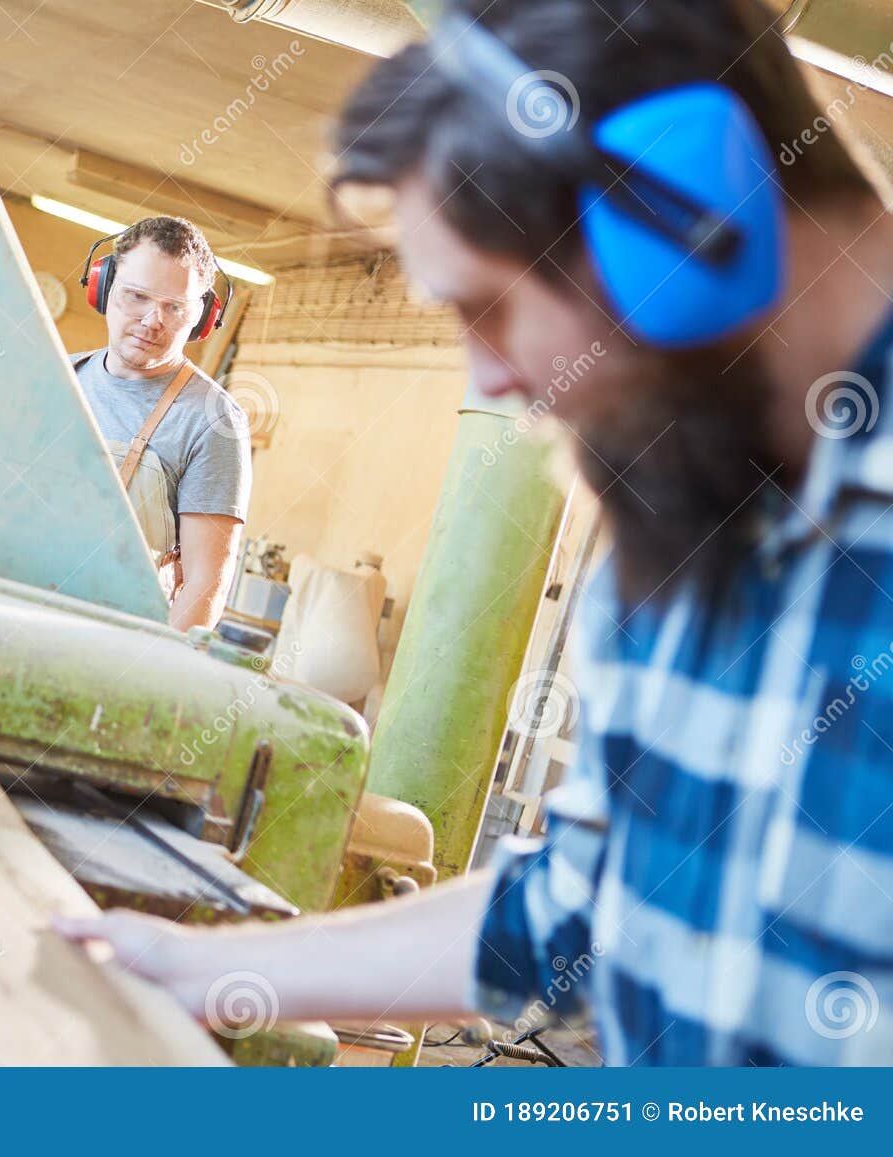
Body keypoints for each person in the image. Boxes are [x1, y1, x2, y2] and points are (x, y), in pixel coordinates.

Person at [60, 0, 893, 1066]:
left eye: (490, 307)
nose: (491, 377)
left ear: (680, 219)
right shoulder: (683, 534)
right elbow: (575, 902)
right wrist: (207, 969)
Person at [72, 216, 252, 632]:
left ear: (202, 319)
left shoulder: (212, 421)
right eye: (136, 296)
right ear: (103, 289)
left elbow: (205, 584)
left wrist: (151, 679)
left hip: (115, 649)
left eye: (175, 308)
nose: (153, 320)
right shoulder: (56, 377)